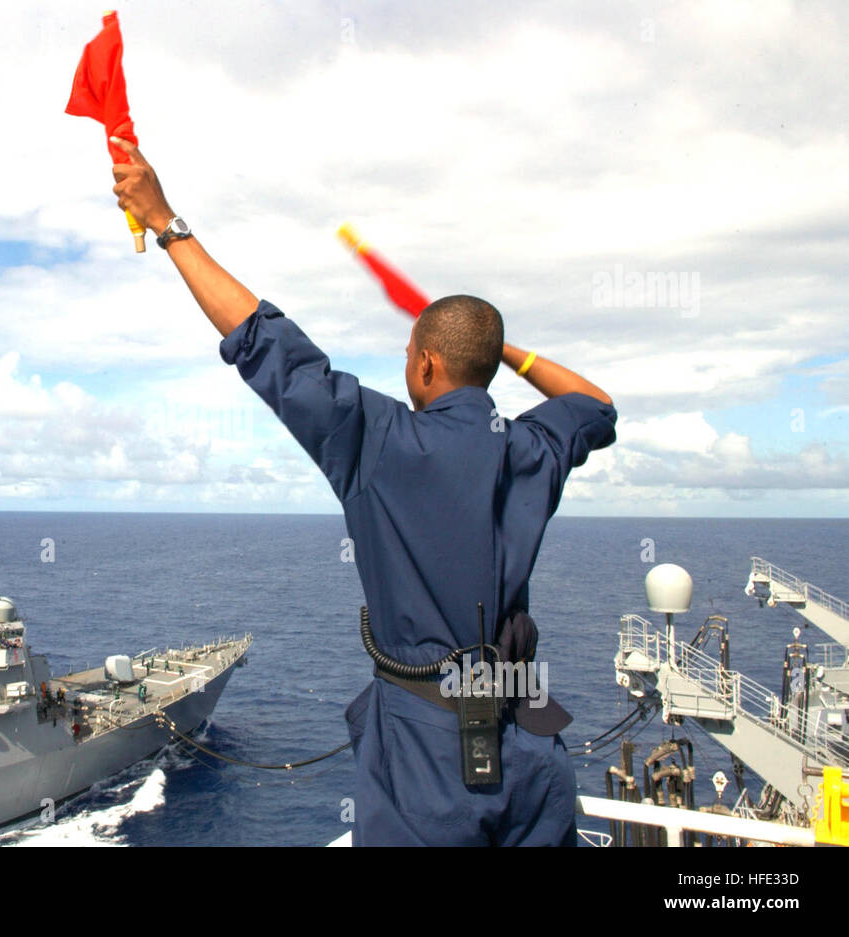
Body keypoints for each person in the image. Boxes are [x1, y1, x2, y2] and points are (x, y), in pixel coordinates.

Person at [110, 140, 617, 846]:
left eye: (411, 353)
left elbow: (261, 341)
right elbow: (597, 406)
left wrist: (166, 222)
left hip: (425, 759)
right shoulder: (532, 449)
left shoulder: (379, 441)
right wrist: (505, 351)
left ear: (427, 364)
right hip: (530, 750)